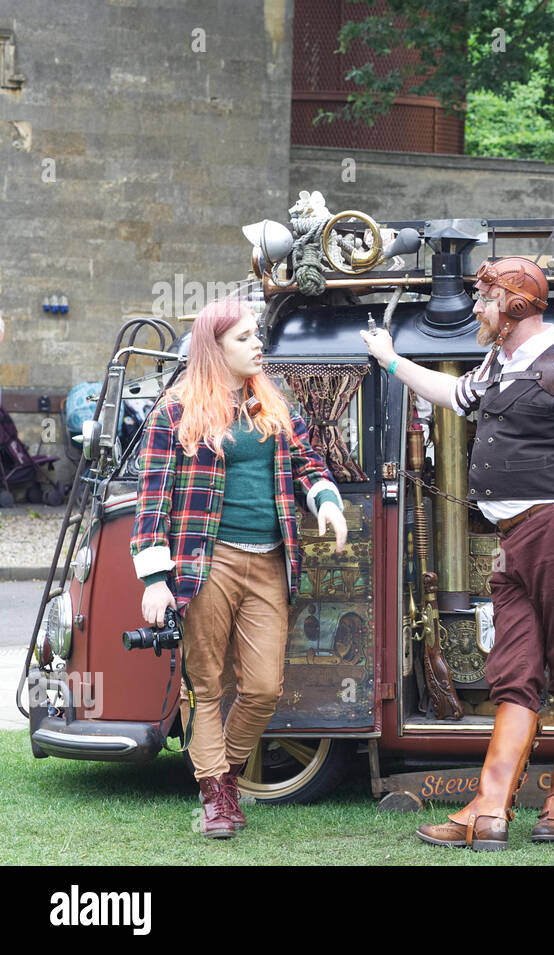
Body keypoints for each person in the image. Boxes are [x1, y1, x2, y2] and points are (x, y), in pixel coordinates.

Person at [360, 256, 554, 851]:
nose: (476, 309)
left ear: (515, 306)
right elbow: (454, 395)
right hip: (513, 541)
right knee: (513, 668)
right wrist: (392, 360)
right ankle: (491, 810)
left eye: (485, 299)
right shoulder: (498, 365)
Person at [130, 298, 348, 839]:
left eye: (257, 336)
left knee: (264, 687)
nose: (258, 346)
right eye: (245, 338)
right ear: (215, 347)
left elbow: (307, 463)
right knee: (206, 685)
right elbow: (152, 500)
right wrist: (154, 579)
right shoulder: (175, 410)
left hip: (269, 561)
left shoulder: (273, 402)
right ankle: (217, 796)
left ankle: (220, 772)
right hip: (207, 561)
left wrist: (325, 500)